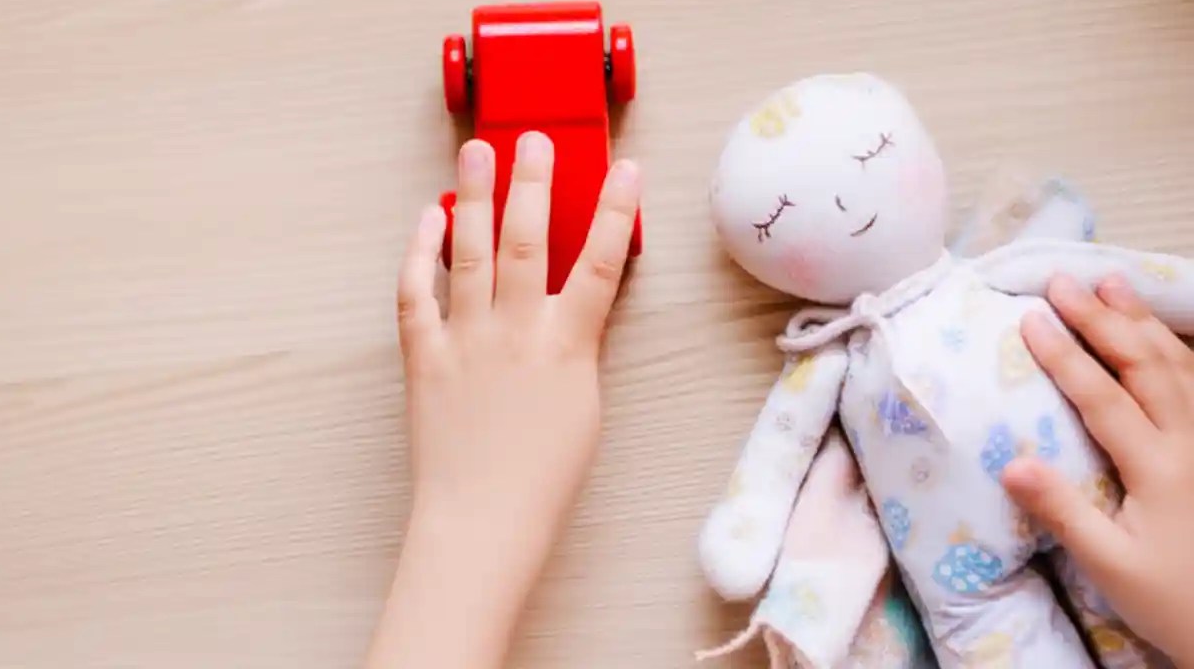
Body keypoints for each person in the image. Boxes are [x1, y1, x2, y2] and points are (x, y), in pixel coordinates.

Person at [361, 131, 1194, 669]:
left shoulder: (964, 299)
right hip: (994, 579)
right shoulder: (841, 359)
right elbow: (779, 451)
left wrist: (468, 527)